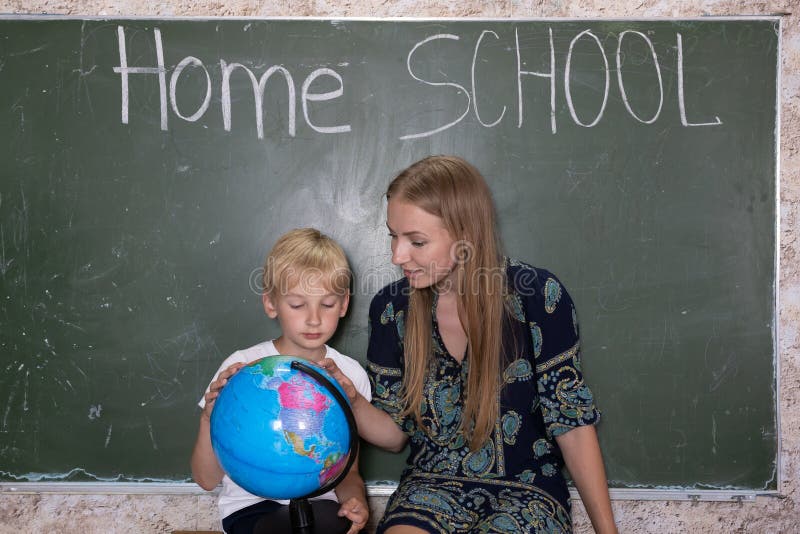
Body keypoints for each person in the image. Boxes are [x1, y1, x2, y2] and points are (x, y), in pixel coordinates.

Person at [321, 156, 617, 533]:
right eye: (393, 235)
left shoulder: (538, 297)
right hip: (429, 489)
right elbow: (394, 437)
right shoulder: (390, 309)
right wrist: (351, 398)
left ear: (465, 239)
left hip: (527, 493)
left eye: (417, 241)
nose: (397, 255)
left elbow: (572, 427)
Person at [191, 228, 371, 534]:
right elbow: (206, 479)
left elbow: (348, 471)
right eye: (298, 305)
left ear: (343, 305)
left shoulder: (350, 375)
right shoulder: (241, 370)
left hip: (321, 505)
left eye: (326, 305)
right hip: (250, 508)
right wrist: (210, 417)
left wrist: (356, 501)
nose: (313, 319)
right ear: (271, 303)